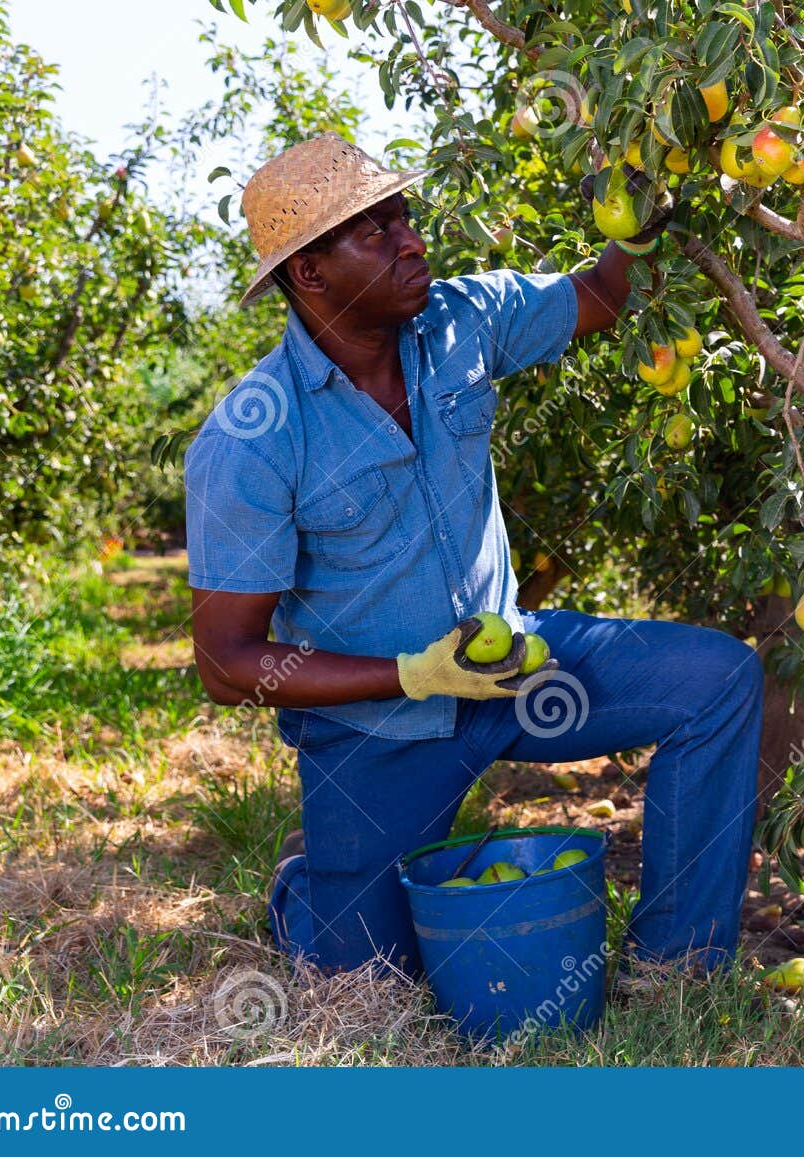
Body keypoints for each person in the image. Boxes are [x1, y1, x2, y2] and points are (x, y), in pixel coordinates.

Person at [184, 133, 762, 977]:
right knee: (371, 978)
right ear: (309, 275)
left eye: (403, 217)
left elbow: (602, 293)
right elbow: (227, 664)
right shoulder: (254, 438)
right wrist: (417, 672)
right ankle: (304, 897)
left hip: (515, 669)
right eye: (375, 232)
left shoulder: (461, 321)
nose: (412, 240)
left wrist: (642, 202)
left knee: (717, 681)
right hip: (378, 726)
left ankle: (678, 961)